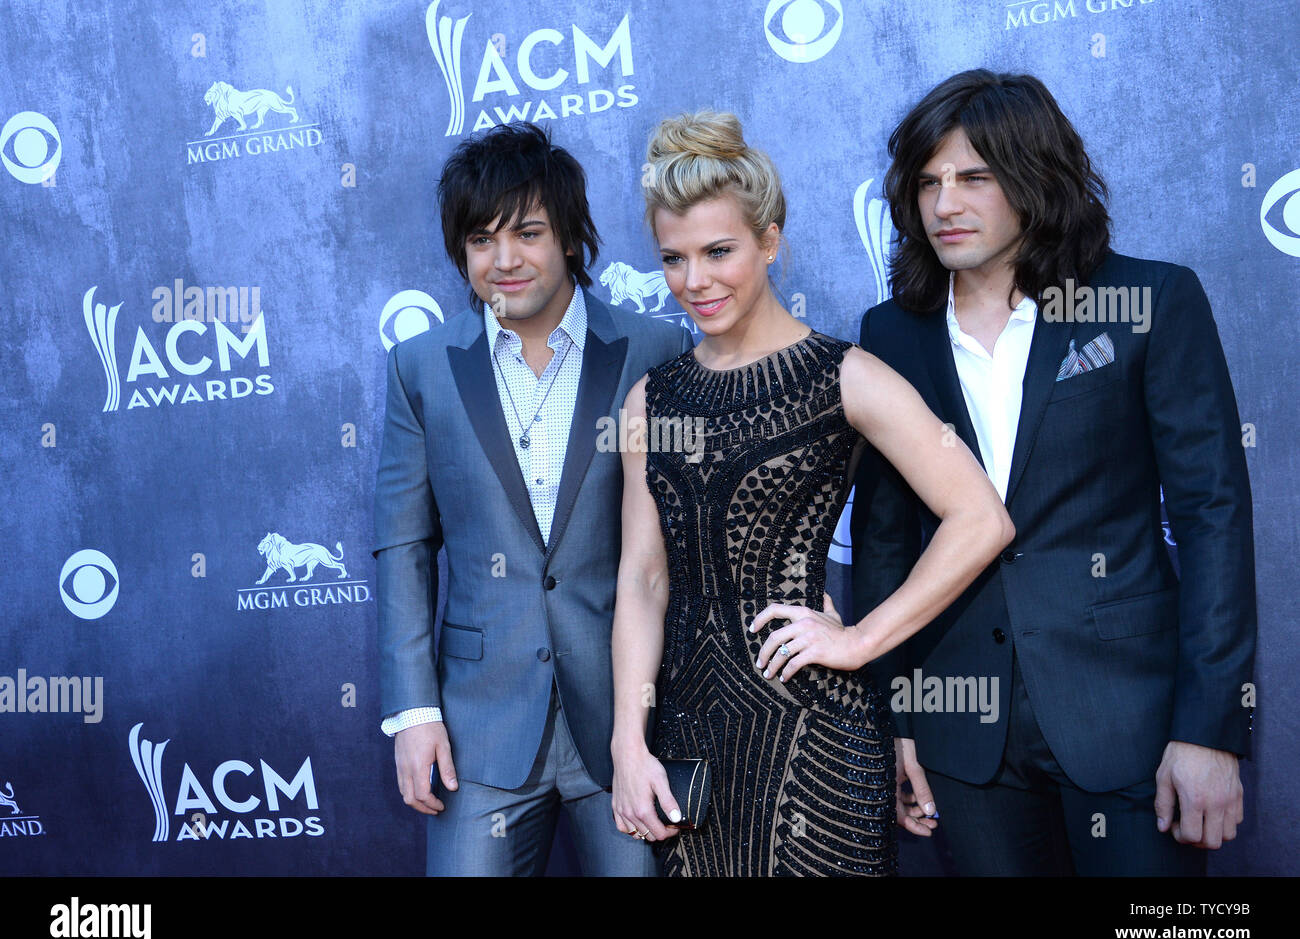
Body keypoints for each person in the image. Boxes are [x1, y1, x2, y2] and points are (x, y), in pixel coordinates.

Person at [852, 69, 1256, 875]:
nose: (945, 205)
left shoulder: (1150, 299)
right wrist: (896, 716)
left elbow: (1213, 517)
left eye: (974, 177)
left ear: (1035, 178)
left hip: (1132, 723)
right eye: (928, 183)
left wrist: (1209, 727)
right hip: (962, 732)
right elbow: (883, 541)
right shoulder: (892, 335)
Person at [608, 110, 1015, 876]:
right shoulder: (649, 402)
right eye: (673, 258)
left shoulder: (844, 375)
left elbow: (981, 516)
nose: (696, 281)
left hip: (816, 734)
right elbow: (643, 578)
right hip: (689, 744)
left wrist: (858, 639)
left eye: (720, 250)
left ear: (769, 240)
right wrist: (629, 742)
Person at [373, 121, 693, 875]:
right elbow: (403, 546)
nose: (505, 260)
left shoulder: (656, 351)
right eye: (482, 240)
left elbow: (686, 542)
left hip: (628, 722)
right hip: (480, 730)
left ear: (572, 239)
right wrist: (414, 712)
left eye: (528, 232)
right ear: (459, 252)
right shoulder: (421, 368)